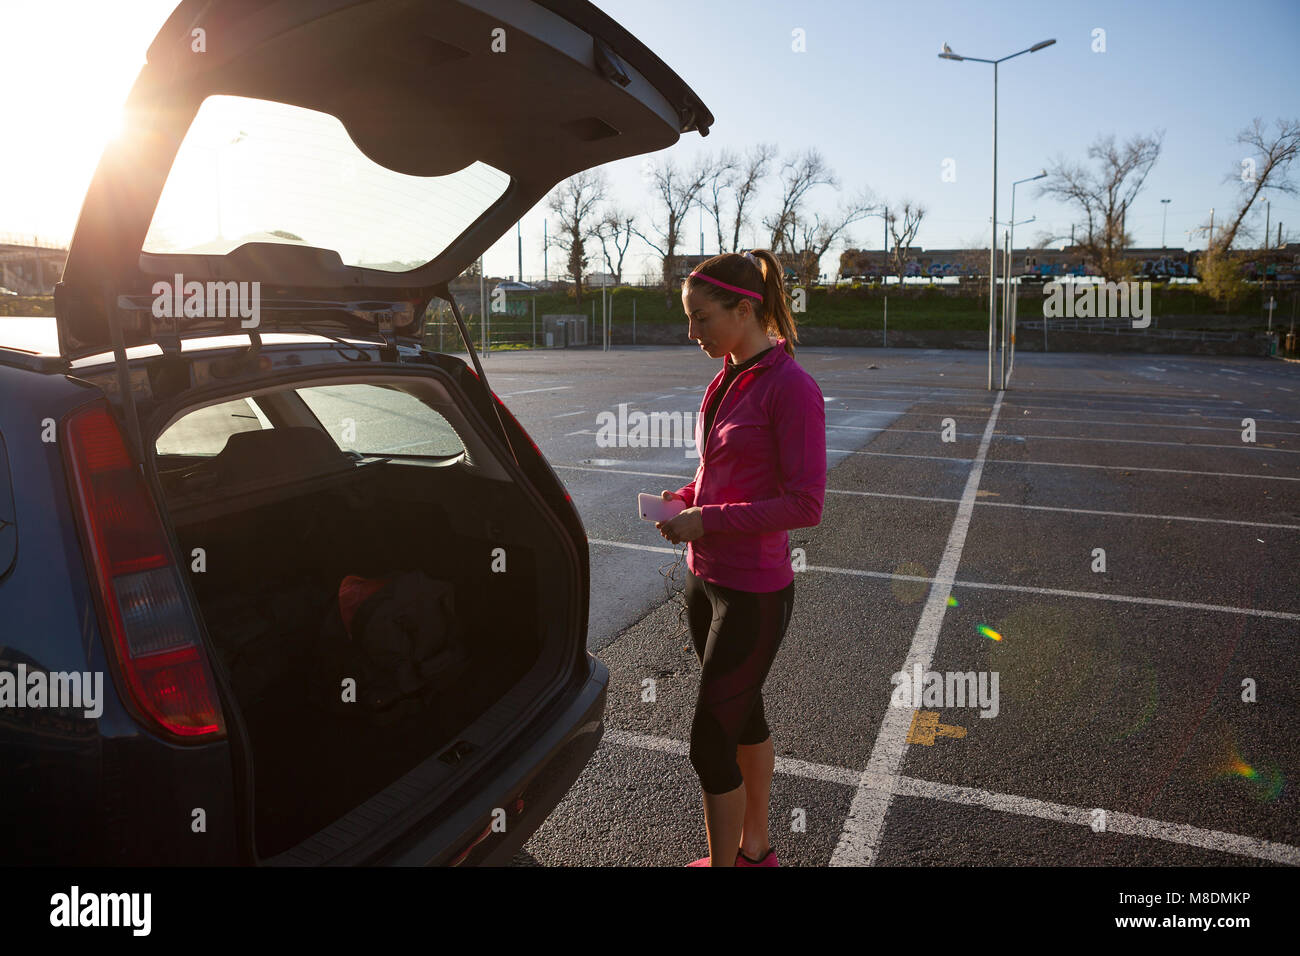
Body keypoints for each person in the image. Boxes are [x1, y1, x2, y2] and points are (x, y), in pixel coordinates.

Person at [655, 249, 827, 867]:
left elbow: (806, 504)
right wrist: (685, 498)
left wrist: (710, 520)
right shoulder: (724, 377)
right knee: (745, 718)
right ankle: (757, 848)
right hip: (705, 582)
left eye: (702, 318)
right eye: (690, 319)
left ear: (744, 307)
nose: (692, 332)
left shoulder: (792, 388)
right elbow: (716, 472)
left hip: (753, 593)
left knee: (709, 745)